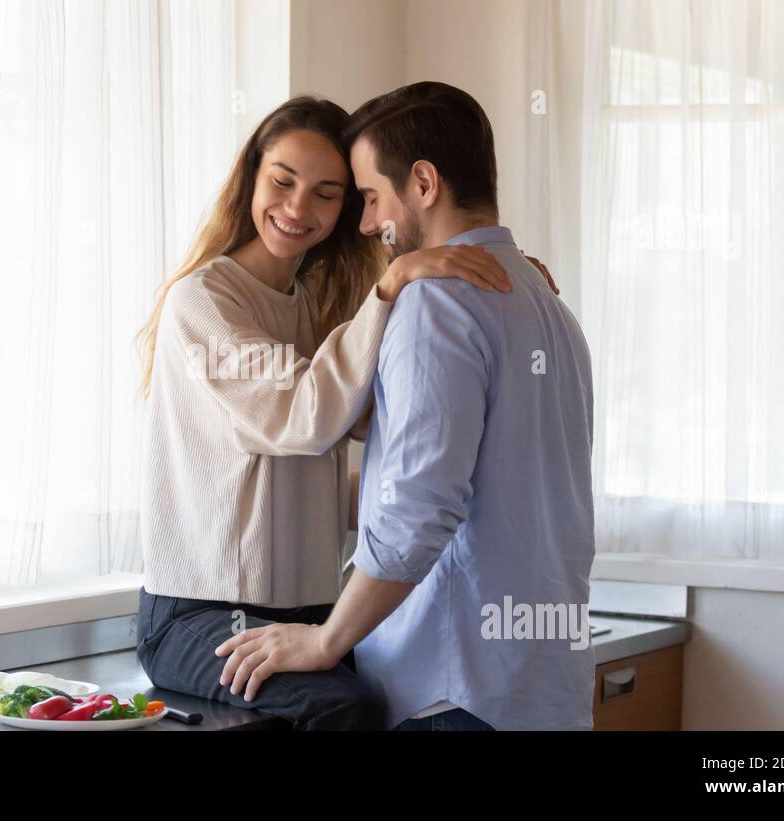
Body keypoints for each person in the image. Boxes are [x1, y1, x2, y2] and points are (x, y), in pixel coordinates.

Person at [133, 95, 528, 731]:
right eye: (282, 181)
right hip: (202, 613)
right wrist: (393, 282)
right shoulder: (201, 302)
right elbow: (303, 415)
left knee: (400, 697)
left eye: (326, 193)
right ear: (251, 178)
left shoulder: (314, 303)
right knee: (345, 709)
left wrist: (496, 286)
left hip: (308, 609)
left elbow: (377, 422)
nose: (296, 208)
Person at [217, 82, 597, 731]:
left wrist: (326, 639)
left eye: (368, 197)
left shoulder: (437, 306)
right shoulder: (548, 302)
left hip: (452, 692)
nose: (364, 224)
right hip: (542, 686)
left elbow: (416, 509)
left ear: (422, 183)